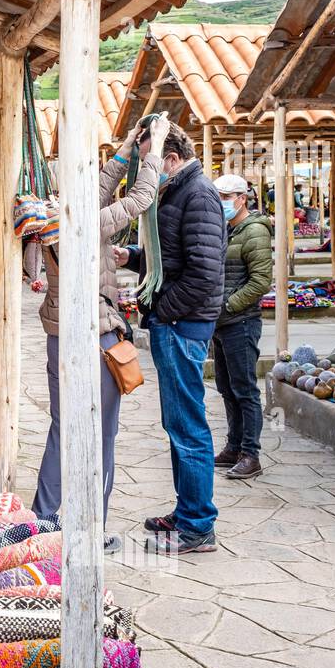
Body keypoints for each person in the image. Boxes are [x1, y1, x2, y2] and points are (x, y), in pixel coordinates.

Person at [34, 117, 161, 551]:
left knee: (60, 427)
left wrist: (129, 144)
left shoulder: (53, 218)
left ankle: (43, 519)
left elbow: (106, 185)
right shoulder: (86, 221)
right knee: (103, 431)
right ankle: (90, 529)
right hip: (95, 334)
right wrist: (153, 151)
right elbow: (140, 198)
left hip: (58, 335)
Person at [117, 120, 226, 554]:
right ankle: (187, 512)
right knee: (177, 422)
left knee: (188, 426)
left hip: (182, 325)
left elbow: (202, 275)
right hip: (175, 322)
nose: (147, 170)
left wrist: (162, 311)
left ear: (171, 159)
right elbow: (171, 258)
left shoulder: (198, 195)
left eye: (150, 161)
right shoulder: (179, 192)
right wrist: (131, 257)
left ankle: (198, 525)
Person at [211, 174, 272, 481]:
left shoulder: (255, 232)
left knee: (245, 389)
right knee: (226, 387)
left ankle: (251, 453)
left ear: (241, 199)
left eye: (225, 197)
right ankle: (233, 446)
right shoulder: (227, 230)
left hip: (242, 321)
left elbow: (261, 281)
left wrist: (229, 305)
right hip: (222, 323)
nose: (221, 202)